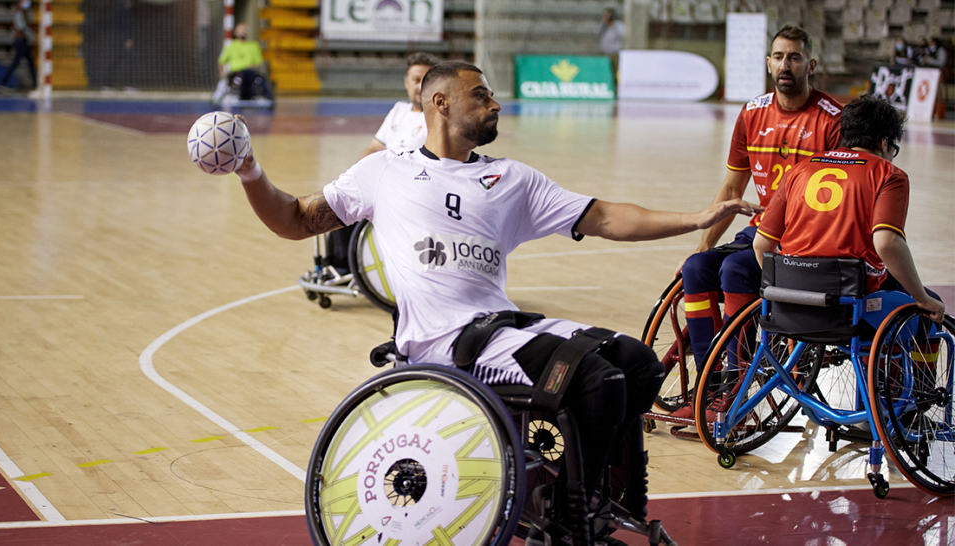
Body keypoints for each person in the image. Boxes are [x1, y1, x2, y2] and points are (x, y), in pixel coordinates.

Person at [232, 61, 760, 540]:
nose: (495, 104)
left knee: (639, 364)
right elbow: (295, 219)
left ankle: (605, 498)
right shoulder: (384, 171)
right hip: (442, 342)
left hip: (500, 328)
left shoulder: (510, 178)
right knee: (598, 380)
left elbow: (603, 217)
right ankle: (569, 523)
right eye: (481, 94)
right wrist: (249, 169)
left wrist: (695, 219)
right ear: (440, 103)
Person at [674, 25, 844, 419]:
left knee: (736, 268)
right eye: (780, 57)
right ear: (769, 63)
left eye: (795, 57)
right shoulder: (752, 113)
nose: (787, 65)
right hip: (764, 229)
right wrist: (704, 243)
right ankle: (710, 383)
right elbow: (734, 183)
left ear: (811, 64)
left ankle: (737, 384)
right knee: (696, 269)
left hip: (806, 237)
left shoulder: (831, 121)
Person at [753, 95, 944, 323]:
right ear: (885, 143)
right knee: (930, 312)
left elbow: (761, 244)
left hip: (792, 293)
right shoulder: (888, 174)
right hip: (850, 297)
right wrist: (921, 297)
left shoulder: (799, 169)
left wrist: (785, 288)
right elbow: (887, 243)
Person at [327, 52, 439, 273]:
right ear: (406, 82)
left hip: (409, 187)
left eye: (426, 80)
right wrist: (357, 174)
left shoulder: (438, 117)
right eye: (416, 80)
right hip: (383, 181)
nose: (420, 86)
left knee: (355, 211)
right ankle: (336, 265)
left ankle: (348, 269)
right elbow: (374, 147)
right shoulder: (398, 110)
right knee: (337, 202)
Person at [217, 23, 267, 102]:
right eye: (240, 29)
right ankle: (242, 96)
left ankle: (266, 98)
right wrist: (222, 72)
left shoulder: (254, 45)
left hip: (250, 72)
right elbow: (221, 61)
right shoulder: (230, 46)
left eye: (244, 29)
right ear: (236, 32)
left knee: (260, 78)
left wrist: (249, 67)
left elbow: (258, 62)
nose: (242, 31)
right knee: (242, 76)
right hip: (236, 72)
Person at [0, 0, 37, 90]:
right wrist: (32, 35)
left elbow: (31, 20)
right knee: (16, 62)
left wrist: (28, 13)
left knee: (31, 63)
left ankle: (36, 84)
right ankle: (4, 83)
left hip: (26, 41)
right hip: (21, 41)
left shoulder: (26, 13)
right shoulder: (18, 13)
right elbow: (22, 28)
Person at [598, 8, 624, 86]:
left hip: (614, 52)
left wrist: (613, 25)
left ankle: (615, 90)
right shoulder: (603, 25)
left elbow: (621, 35)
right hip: (603, 51)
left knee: (614, 72)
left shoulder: (618, 25)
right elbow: (597, 32)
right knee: (602, 71)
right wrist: (604, 23)